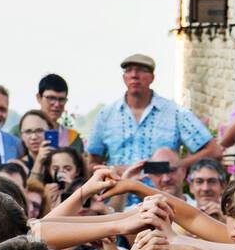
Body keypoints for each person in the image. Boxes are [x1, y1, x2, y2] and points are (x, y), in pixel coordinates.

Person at [87, 54, 222, 175]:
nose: (134, 75)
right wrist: (113, 171)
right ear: (124, 77)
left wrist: (176, 166)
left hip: (160, 197)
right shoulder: (106, 115)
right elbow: (92, 163)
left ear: (152, 77)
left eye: (141, 70)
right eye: (129, 70)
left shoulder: (174, 113)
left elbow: (214, 151)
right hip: (117, 197)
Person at [34, 73, 83, 153]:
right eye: (51, 98)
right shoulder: (21, 132)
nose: (57, 104)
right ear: (39, 98)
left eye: (61, 99)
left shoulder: (73, 138)